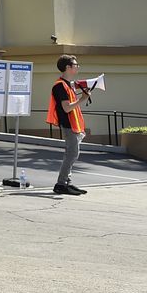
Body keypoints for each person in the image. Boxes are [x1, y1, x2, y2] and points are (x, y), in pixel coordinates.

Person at [48, 55, 91, 196]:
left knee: (72, 153)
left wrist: (82, 98)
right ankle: (61, 184)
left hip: (73, 124)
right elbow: (66, 108)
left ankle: (66, 182)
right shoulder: (60, 86)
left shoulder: (68, 84)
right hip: (68, 124)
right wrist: (83, 99)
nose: (77, 67)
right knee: (72, 154)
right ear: (68, 67)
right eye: (75, 64)